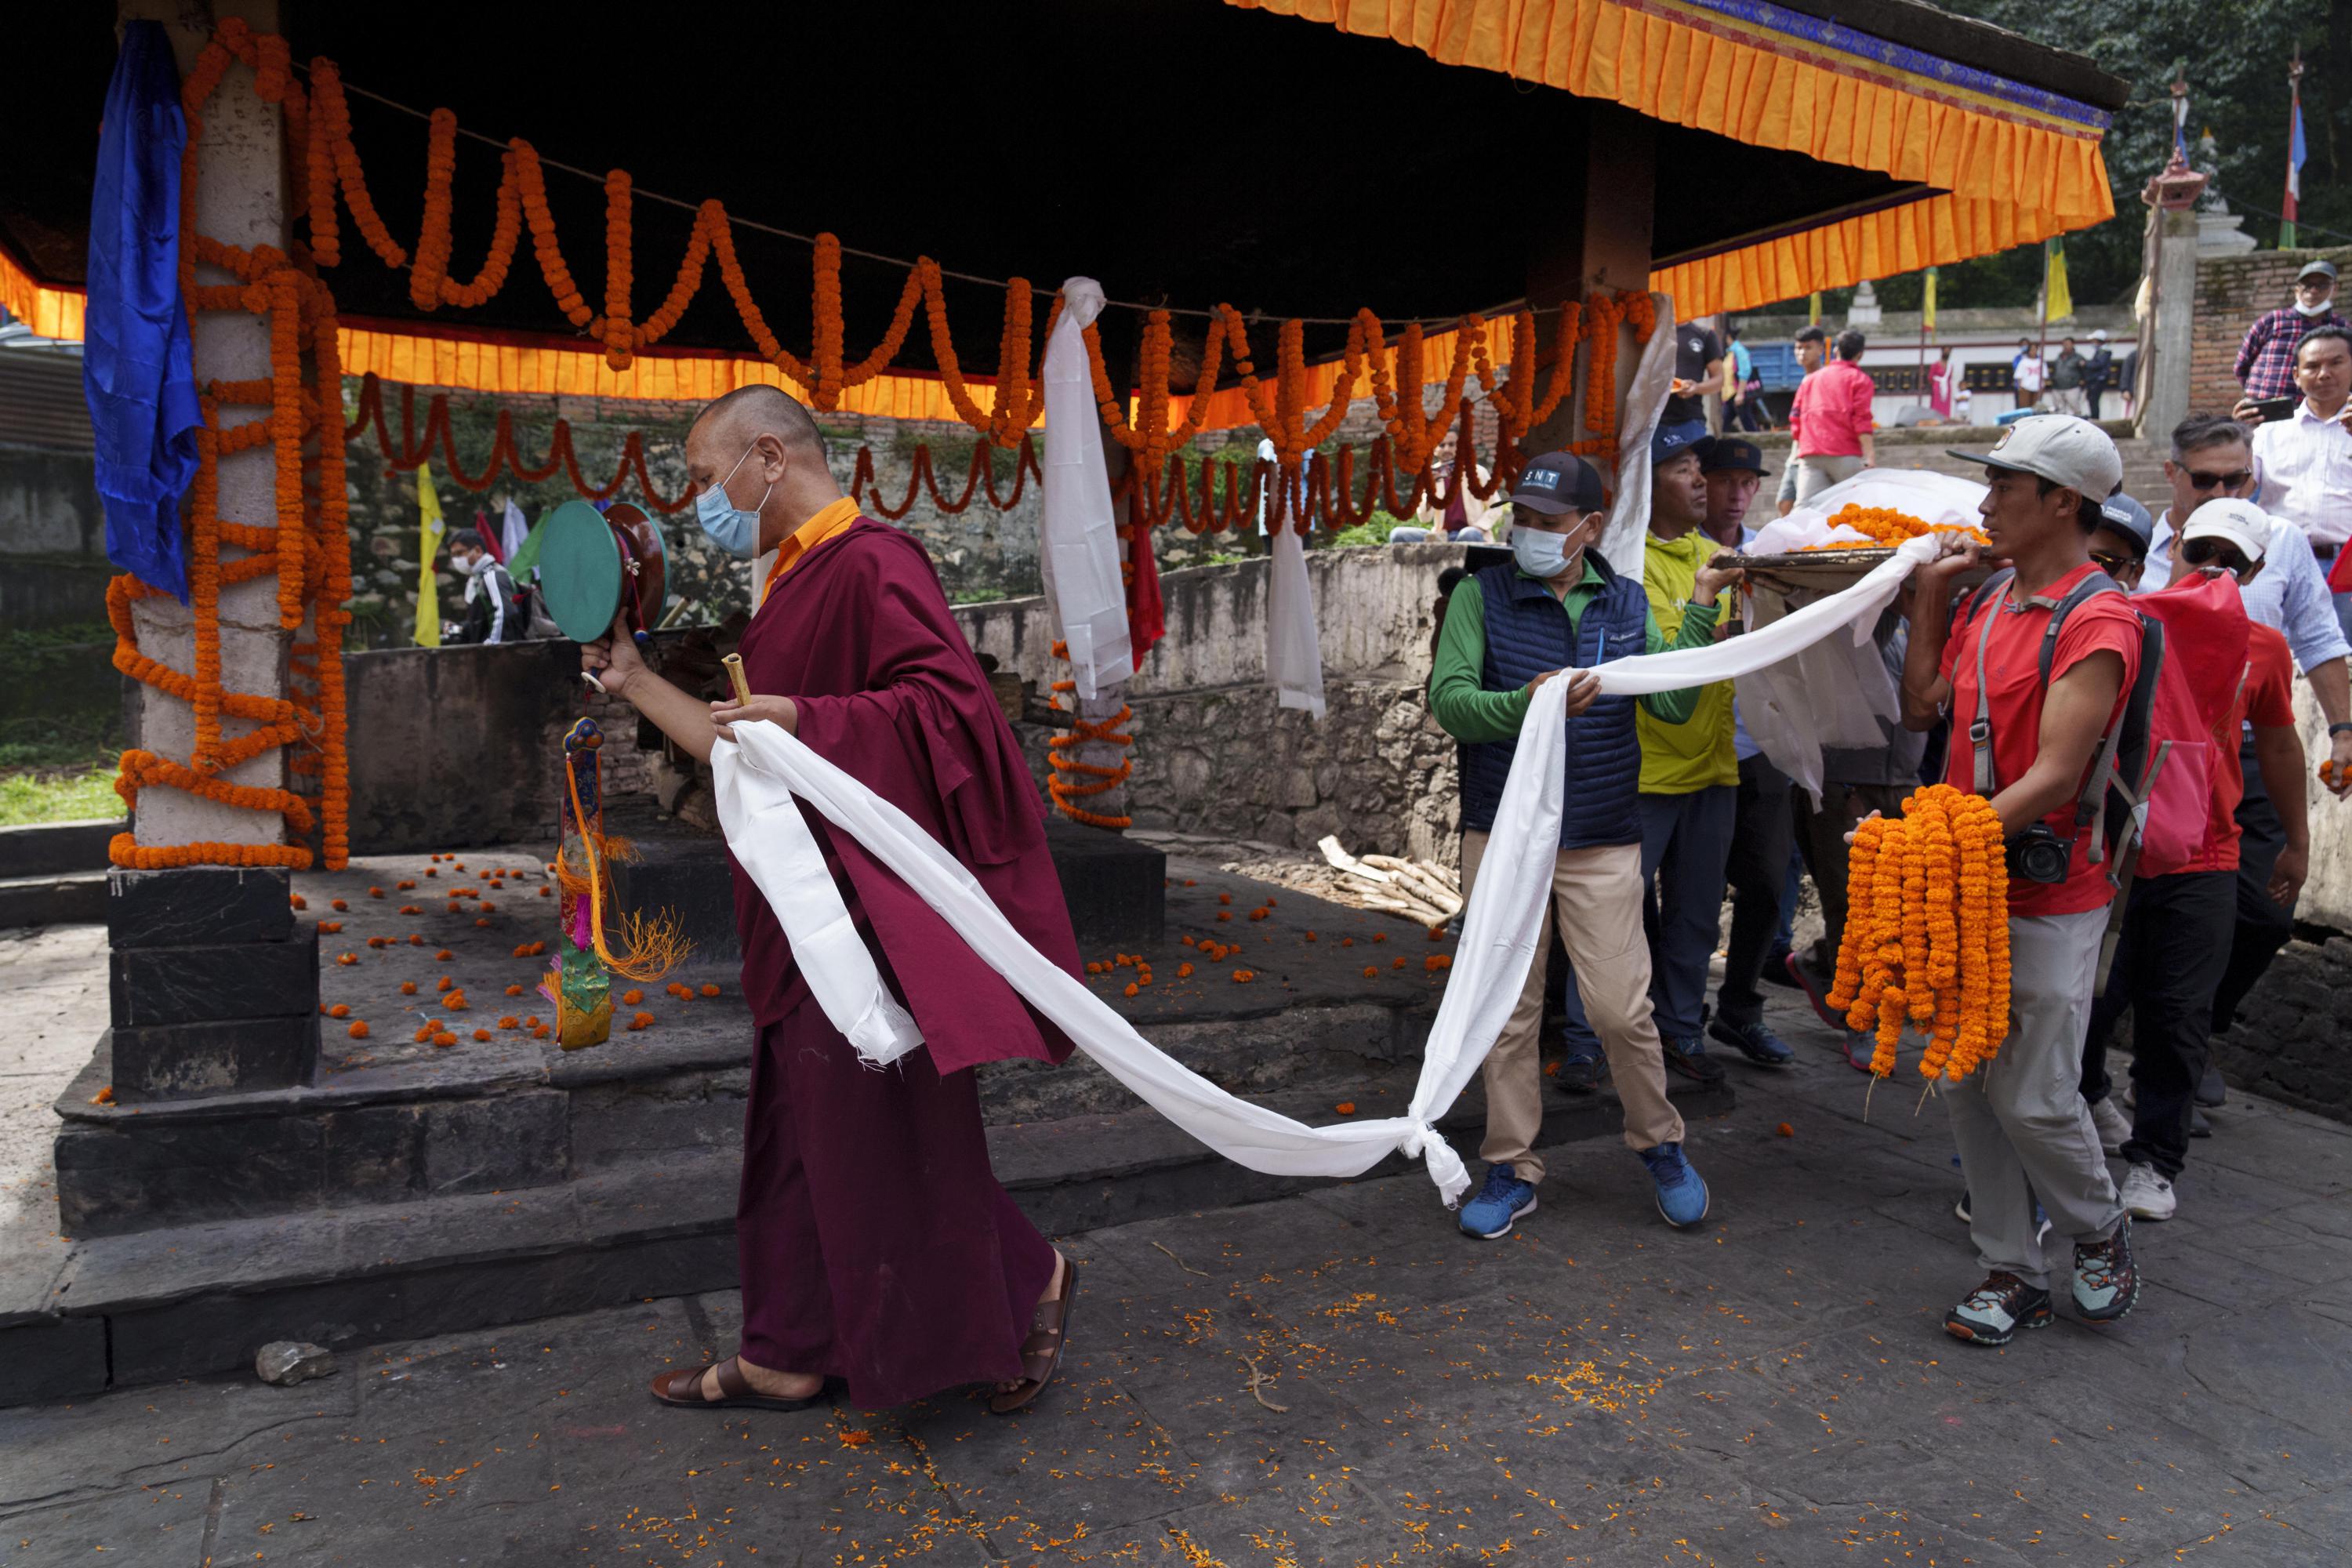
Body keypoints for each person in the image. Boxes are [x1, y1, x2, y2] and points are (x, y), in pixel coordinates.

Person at [583, 384, 1083, 1416]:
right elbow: (744, 751)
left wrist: (812, 715)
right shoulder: (789, 585)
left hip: (870, 919)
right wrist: (633, 680)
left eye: (701, 472)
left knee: (882, 1136)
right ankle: (787, 1348)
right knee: (804, 1134)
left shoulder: (873, 563)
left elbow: (954, 718)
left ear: (767, 457)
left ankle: (1025, 1277)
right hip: (796, 910)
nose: (697, 498)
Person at [1426, 448, 1728, 1239]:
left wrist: (1699, 605)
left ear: (1591, 527)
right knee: (1509, 1010)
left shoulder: (1623, 606)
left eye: (1546, 521)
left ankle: (1661, 1144)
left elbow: (1667, 701)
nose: (1527, 531)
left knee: (1622, 1009)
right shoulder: (1479, 596)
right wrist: (1526, 705)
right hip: (1503, 835)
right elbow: (1452, 702)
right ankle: (1511, 1165)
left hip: (1600, 837)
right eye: (1520, 516)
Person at [1901, 414, 2143, 1346]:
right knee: (1964, 1078)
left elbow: (2054, 772)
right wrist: (1932, 594)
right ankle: (2010, 1268)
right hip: (1967, 879)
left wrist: (1939, 836)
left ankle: (2097, 1226)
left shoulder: (2099, 618)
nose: (1985, 502)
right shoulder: (1989, 601)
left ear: (2064, 502)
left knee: (2035, 1092)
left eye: (2005, 486)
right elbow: (1925, 702)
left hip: (2047, 886)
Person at [2078, 498, 2307, 1222]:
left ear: (2257, 569)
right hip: (2114, 847)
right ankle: (2088, 1100)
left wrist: (2296, 840)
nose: (2214, 567)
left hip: (2207, 851)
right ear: (2175, 546)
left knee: (2179, 1015)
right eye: (2202, 549)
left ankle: (2154, 1160)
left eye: (2232, 560)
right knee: (2085, 1002)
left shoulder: (2262, 647)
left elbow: (2276, 743)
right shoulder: (2131, 618)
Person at [2139, 414, 2352, 1097]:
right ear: (2175, 476)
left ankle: (2194, 1032)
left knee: (2263, 916)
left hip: (2253, 749)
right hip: (2157, 758)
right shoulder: (2138, 542)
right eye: (2207, 480)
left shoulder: (2282, 541)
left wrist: (2345, 728)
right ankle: (2163, 1059)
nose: (2225, 489)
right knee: (2157, 919)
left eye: (2238, 479)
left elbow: (2318, 640)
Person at [1693, 435, 1795, 1068]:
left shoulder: (1772, 556)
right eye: (1722, 479)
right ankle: (1680, 1013)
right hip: (1695, 744)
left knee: (1765, 883)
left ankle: (1739, 1007)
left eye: (1746, 481)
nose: (1734, 492)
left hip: (1759, 744)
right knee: (1695, 892)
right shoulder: (1681, 554)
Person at [2246, 325, 2352, 644]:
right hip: (2280, 561)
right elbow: (2239, 490)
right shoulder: (2269, 432)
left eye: (2336, 363)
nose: (2324, 374)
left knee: (2343, 661)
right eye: (2312, 366)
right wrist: (2238, 441)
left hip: (2345, 566)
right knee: (2278, 658)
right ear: (2295, 375)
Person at [2234, 259, 2349, 405]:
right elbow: (2242, 365)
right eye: (2307, 285)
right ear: (2297, 289)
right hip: (2264, 409)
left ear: (2335, 289)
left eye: (2322, 285)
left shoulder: (2342, 328)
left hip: (2316, 414)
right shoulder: (2272, 321)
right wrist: (2254, 394)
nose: (2313, 290)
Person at [1789, 329, 1875, 503]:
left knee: (1805, 510)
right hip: (1845, 454)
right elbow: (1861, 419)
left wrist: (1801, 444)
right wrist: (1870, 454)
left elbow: (1795, 416)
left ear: (1836, 351)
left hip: (1811, 453)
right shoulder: (1860, 379)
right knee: (1852, 509)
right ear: (1860, 354)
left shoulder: (1812, 379)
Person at [1775, 327, 1829, 516]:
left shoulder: (1824, 379)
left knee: (1804, 509)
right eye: (1798, 348)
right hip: (1796, 453)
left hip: (1810, 456)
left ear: (1821, 350)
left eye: (1808, 347)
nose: (1802, 353)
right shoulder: (1806, 379)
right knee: (1783, 504)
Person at [446, 527, 521, 645]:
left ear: (478, 550)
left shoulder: (493, 576)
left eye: (460, 553)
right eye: (454, 555)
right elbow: (479, 623)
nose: (457, 560)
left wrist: (492, 647)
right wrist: (457, 628)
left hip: (500, 656)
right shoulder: (476, 580)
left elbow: (505, 614)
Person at [1666, 318, 1726, 428]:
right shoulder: (1651, 333)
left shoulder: (1704, 334)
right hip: (1652, 421)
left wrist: (1697, 388)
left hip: (1690, 420)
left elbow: (1719, 380)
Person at [1724, 326, 1764, 432]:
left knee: (1746, 421)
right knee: (1726, 421)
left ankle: (1757, 441)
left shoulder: (1739, 351)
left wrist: (1740, 394)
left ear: (1728, 337)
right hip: (1731, 394)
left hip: (1738, 393)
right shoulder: (1730, 351)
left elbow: (1744, 373)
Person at [2049, 338, 2088, 417]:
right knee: (2059, 410)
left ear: (2073, 345)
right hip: (2057, 387)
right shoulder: (2059, 357)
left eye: (2067, 344)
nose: (2065, 346)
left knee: (2075, 409)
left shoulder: (2078, 357)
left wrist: (2083, 381)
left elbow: (2085, 371)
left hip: (2072, 387)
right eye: (2064, 344)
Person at [2084, 330, 2116, 421]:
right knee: (2091, 399)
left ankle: (2095, 419)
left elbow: (2099, 364)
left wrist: (2086, 364)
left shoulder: (2105, 351)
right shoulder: (2101, 351)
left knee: (2094, 400)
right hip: (2094, 380)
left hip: (2099, 380)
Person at [2012, 339, 2045, 413]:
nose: (2033, 351)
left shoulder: (2041, 361)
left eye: (2035, 349)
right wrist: (2020, 387)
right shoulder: (2023, 361)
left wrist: (2042, 386)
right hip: (2025, 388)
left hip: (2037, 388)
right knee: (2024, 408)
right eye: (2032, 349)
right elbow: (2018, 376)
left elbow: (2044, 376)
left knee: (2036, 408)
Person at [1927, 347, 1956, 422]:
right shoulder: (1935, 365)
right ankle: (1935, 419)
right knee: (1936, 405)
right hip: (1937, 387)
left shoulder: (1950, 366)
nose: (1947, 353)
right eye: (1946, 351)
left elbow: (1950, 378)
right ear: (1942, 352)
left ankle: (1945, 419)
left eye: (1948, 351)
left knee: (1946, 405)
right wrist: (1936, 386)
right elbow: (1930, 377)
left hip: (1947, 387)